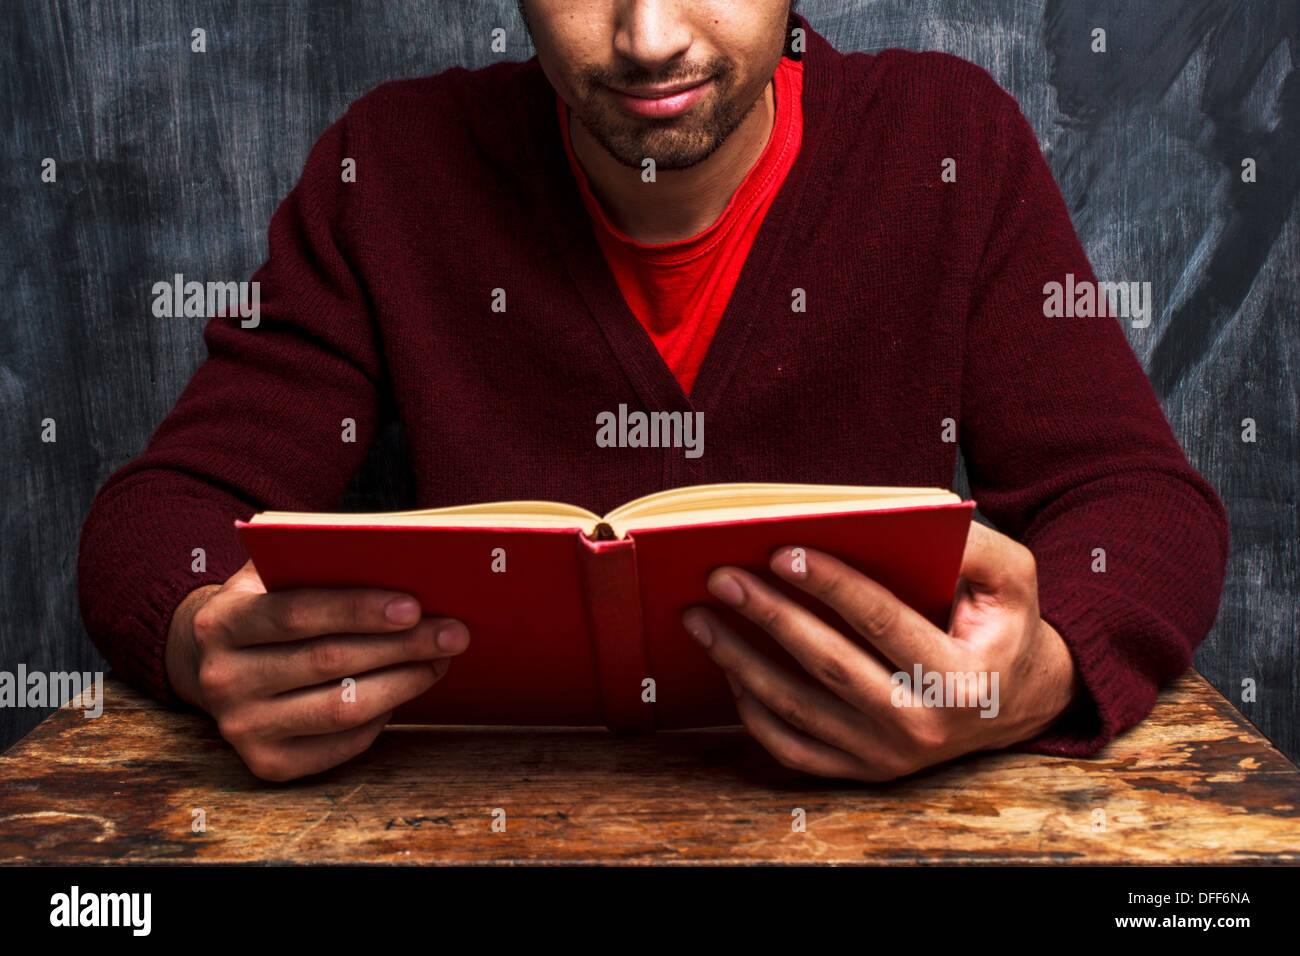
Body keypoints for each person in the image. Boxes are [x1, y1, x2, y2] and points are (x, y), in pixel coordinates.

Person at [78, 1, 1229, 782]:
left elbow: (1139, 502)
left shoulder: (949, 139)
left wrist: (1042, 674)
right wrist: (197, 638)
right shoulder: (390, 167)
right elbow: (160, 514)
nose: (646, 37)